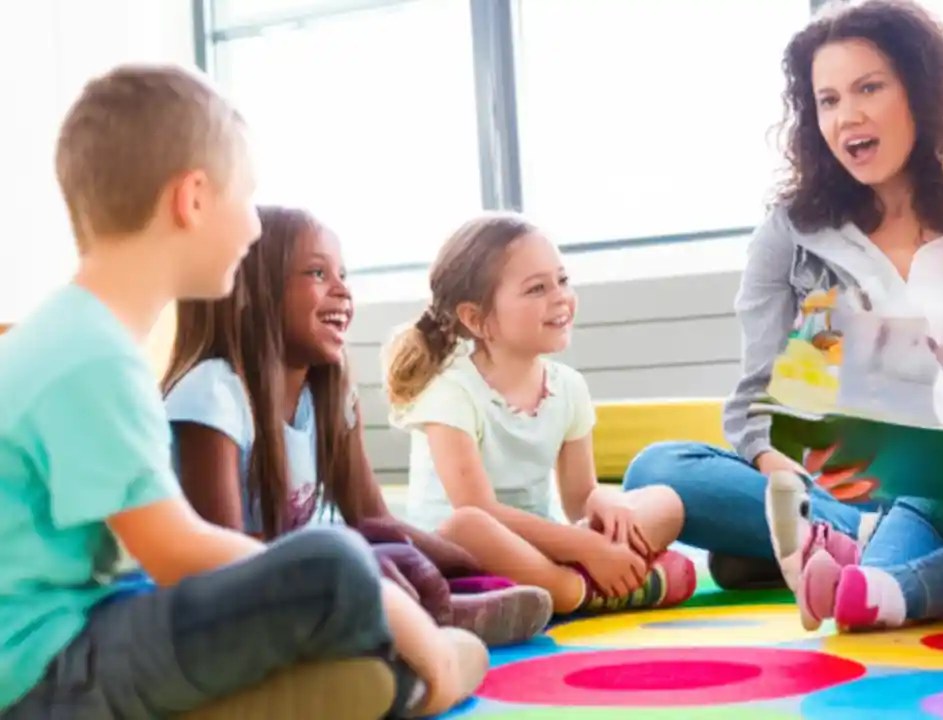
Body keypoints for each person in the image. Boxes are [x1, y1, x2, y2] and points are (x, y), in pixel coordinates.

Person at [0, 64, 482, 719]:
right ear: (192, 199)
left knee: (325, 575)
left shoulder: (78, 334)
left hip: (78, 637)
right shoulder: (91, 355)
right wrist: (388, 604)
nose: (254, 230)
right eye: (246, 197)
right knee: (333, 563)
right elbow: (178, 554)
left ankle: (339, 685)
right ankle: (426, 665)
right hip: (45, 672)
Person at [622, 0, 943, 590]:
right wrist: (794, 481)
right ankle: (841, 539)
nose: (846, 116)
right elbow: (757, 408)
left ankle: (799, 550)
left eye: (868, 88)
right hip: (843, 493)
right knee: (659, 467)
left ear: (921, 94)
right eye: (828, 101)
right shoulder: (790, 233)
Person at [162, 205, 553, 647]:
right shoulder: (212, 392)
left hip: (302, 574)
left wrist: (473, 565)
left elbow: (372, 518)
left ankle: (434, 609)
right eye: (316, 273)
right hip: (226, 600)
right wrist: (344, 555)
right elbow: (218, 554)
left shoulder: (328, 394)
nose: (342, 291)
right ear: (251, 291)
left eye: (343, 275)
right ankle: (430, 618)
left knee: (394, 554)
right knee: (364, 558)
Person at [383, 212, 696, 616]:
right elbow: (478, 510)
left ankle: (579, 584)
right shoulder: (450, 391)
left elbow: (579, 499)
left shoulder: (568, 387)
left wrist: (604, 503)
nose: (560, 297)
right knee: (470, 526)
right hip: (465, 553)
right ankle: (580, 591)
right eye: (536, 289)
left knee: (665, 502)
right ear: (476, 319)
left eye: (562, 280)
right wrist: (589, 547)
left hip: (547, 545)